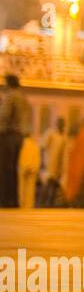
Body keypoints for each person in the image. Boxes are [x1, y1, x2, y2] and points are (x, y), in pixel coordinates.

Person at [0, 74, 31, 207]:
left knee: (4, 169)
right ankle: (14, 200)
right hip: (19, 137)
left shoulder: (10, 95)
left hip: (8, 136)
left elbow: (4, 116)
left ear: (9, 83)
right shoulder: (23, 97)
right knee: (13, 169)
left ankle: (5, 199)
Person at [39, 117, 68, 207]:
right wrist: (42, 163)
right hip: (48, 164)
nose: (62, 126)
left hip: (57, 168)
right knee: (46, 187)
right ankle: (41, 206)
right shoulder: (50, 133)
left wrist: (62, 169)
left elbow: (63, 154)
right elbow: (42, 147)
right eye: (60, 124)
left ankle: (49, 206)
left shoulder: (63, 137)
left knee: (53, 188)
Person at [17, 132, 40, 208]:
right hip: (32, 168)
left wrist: (23, 167)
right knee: (30, 189)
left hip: (23, 167)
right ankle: (29, 206)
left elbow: (19, 156)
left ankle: (22, 205)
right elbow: (37, 158)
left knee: (22, 189)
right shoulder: (35, 145)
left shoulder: (22, 144)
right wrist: (35, 168)